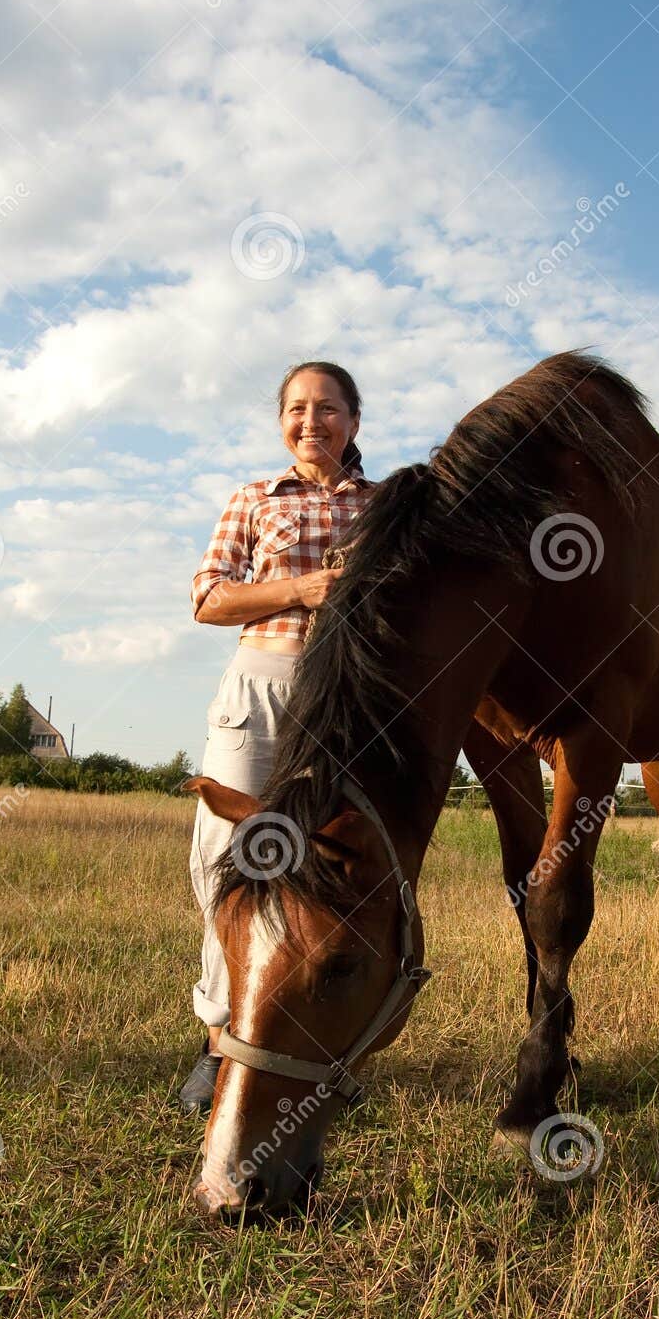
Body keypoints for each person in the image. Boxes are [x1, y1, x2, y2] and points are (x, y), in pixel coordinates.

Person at [178, 361, 374, 1116]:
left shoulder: (386, 505)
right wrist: (299, 589)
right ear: (280, 421)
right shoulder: (254, 499)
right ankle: (218, 1039)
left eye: (328, 409)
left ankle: (328, 1047)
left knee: (336, 868)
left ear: (354, 422)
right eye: (296, 409)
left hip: (349, 705)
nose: (310, 421)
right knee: (227, 860)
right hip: (261, 686)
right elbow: (209, 598)